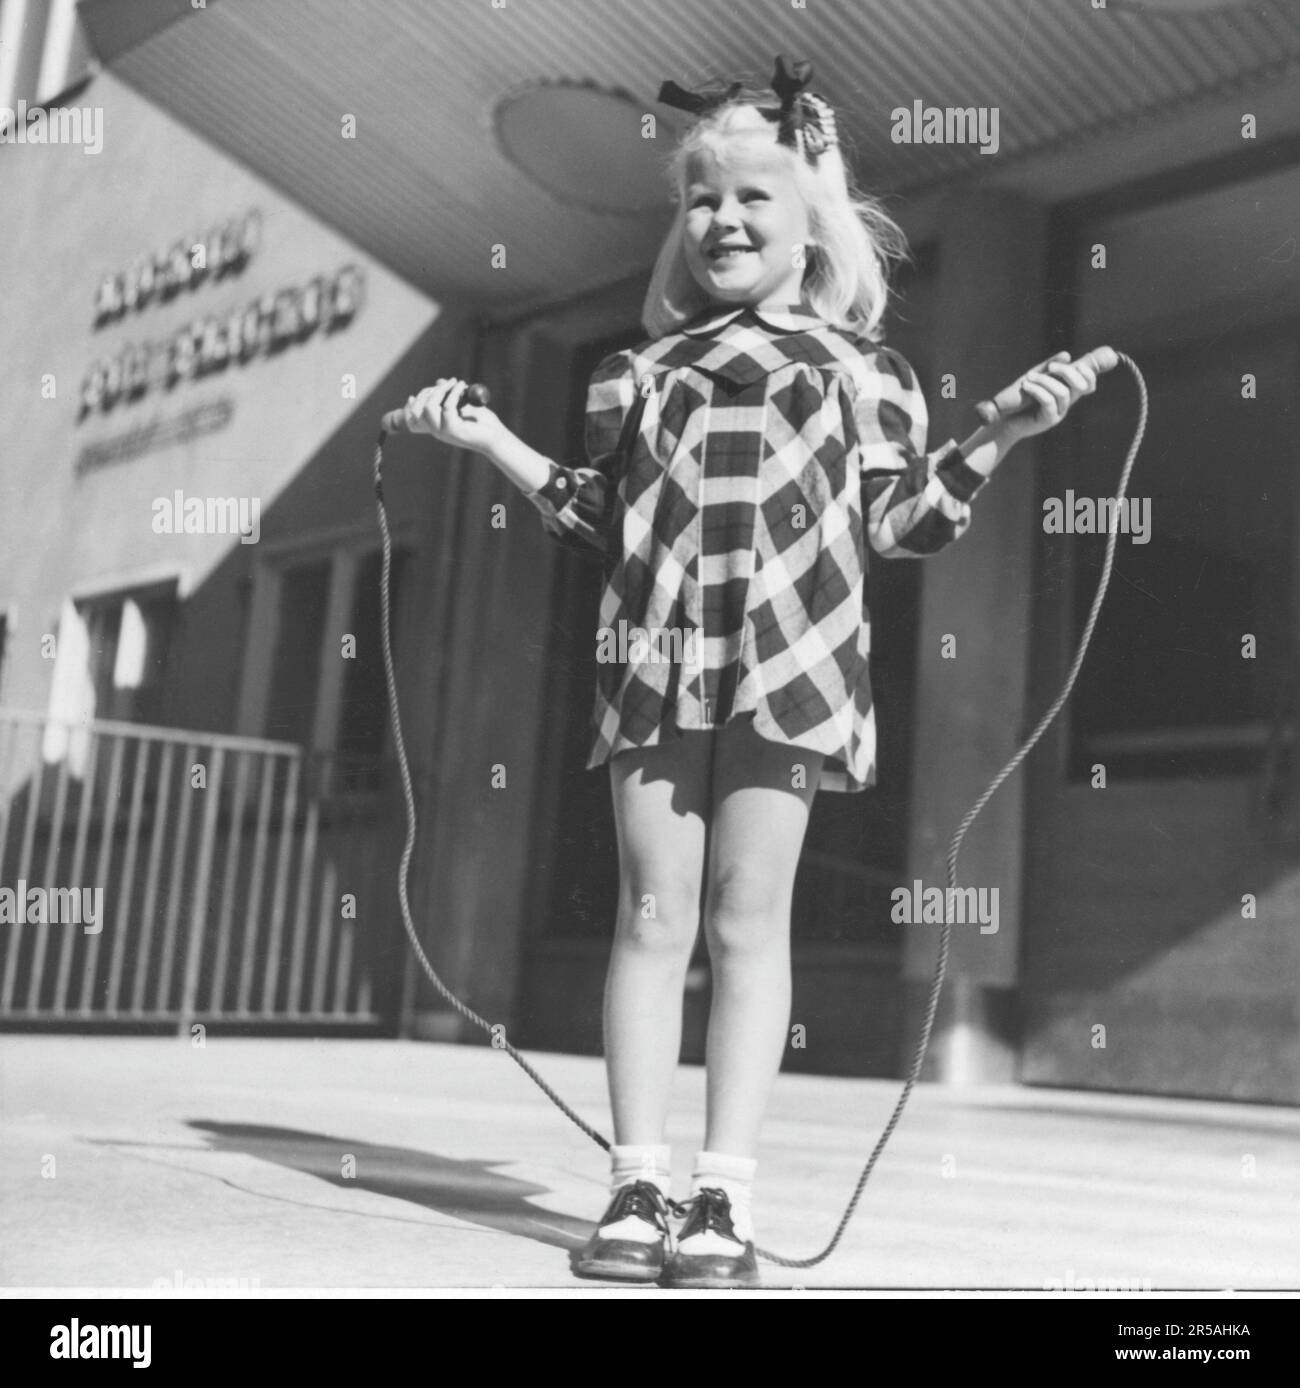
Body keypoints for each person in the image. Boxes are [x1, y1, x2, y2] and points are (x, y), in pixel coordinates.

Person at [404, 57, 1102, 1289]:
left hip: (794, 666)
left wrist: (995, 435)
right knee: (653, 914)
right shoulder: (639, 373)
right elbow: (596, 519)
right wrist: (492, 440)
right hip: (654, 666)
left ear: (810, 219)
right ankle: (634, 1180)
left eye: (752, 200)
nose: (722, 220)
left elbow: (901, 528)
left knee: (743, 919)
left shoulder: (864, 372)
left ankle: (719, 1194)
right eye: (701, 200)